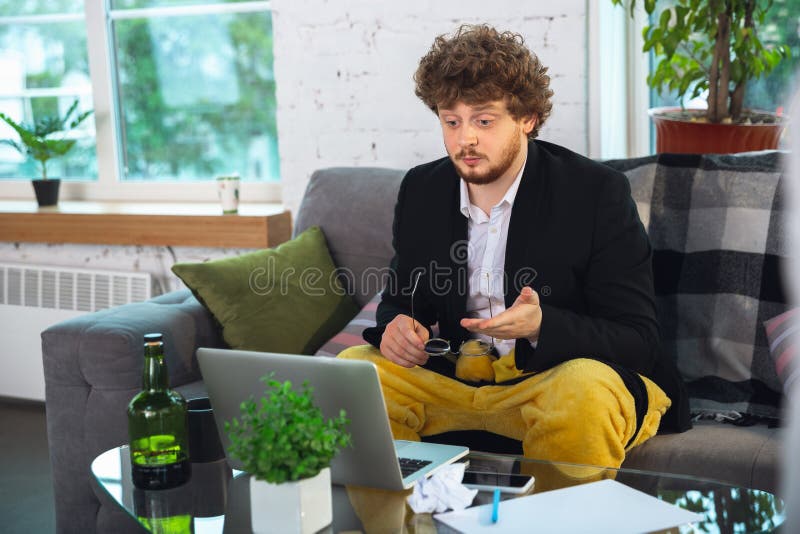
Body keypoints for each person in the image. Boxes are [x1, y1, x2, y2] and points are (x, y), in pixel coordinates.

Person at [339, 24, 689, 469]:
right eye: (452, 121)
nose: (465, 139)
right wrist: (397, 329)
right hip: (457, 379)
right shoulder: (421, 189)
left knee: (583, 393)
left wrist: (542, 325)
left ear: (527, 118)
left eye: (484, 121)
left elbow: (638, 340)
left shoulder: (596, 192)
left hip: (554, 379)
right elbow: (398, 303)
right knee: (353, 371)